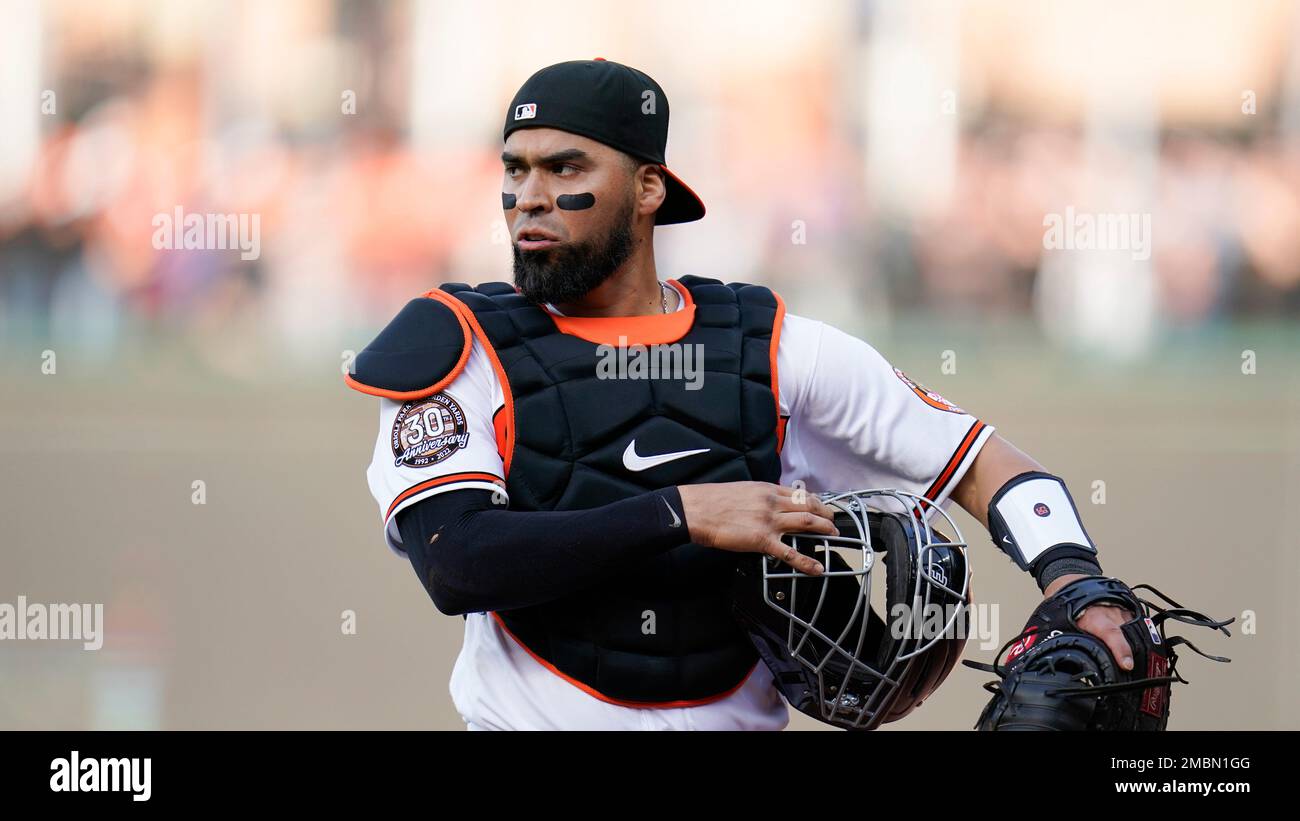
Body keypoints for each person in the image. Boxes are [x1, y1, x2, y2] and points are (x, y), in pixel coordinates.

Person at [345, 58, 1133, 730]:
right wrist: (681, 513)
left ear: (649, 187)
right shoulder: (458, 341)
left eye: (566, 167)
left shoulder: (767, 344)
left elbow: (978, 457)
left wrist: (1075, 580)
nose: (530, 195)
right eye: (515, 169)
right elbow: (458, 564)